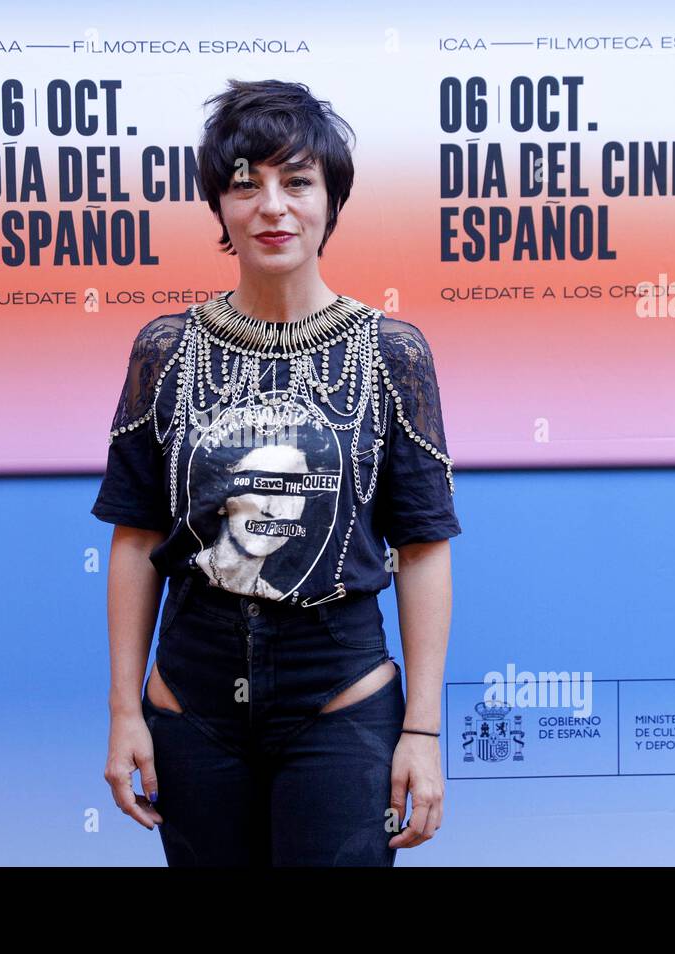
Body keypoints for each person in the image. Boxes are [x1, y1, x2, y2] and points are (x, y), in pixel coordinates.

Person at [93, 78, 462, 866]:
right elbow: (136, 538)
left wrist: (423, 731)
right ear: (219, 207)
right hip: (189, 699)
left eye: (296, 181)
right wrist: (125, 710)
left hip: (341, 693)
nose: (272, 206)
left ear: (331, 200)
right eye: (244, 185)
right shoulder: (163, 351)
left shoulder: (394, 355)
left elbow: (424, 547)